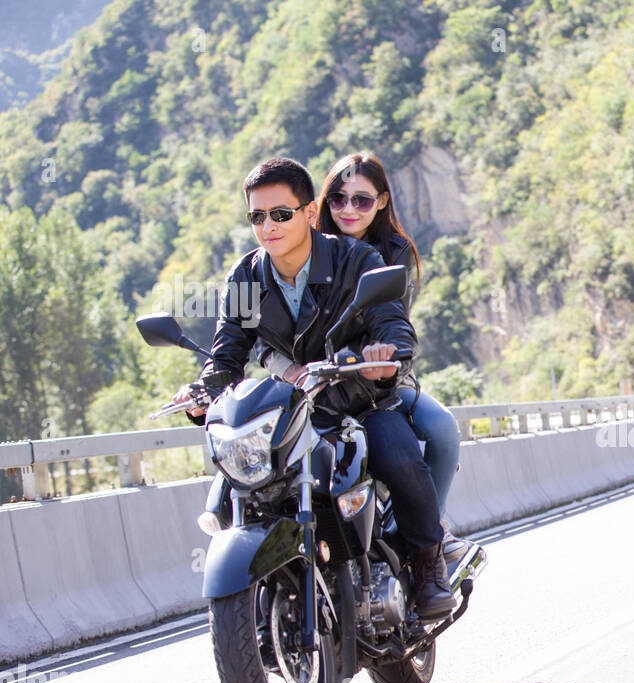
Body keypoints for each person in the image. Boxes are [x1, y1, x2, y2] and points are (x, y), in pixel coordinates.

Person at [181, 156, 455, 620]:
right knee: (240, 483)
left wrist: (383, 359)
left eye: (280, 214)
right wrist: (202, 391)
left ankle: (428, 565)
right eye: (257, 216)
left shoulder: (357, 261)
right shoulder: (246, 277)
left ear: (310, 213)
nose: (267, 226)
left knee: (399, 454)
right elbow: (227, 355)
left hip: (361, 404)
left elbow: (395, 327)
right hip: (290, 414)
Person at [311, 151, 475, 564]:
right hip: (317, 383)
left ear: (382, 201)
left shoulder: (392, 249)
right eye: (338, 199)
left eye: (362, 200)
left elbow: (392, 321)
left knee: (441, 429)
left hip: (378, 376)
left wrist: (377, 359)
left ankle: (429, 532)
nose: (348, 209)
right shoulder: (307, 248)